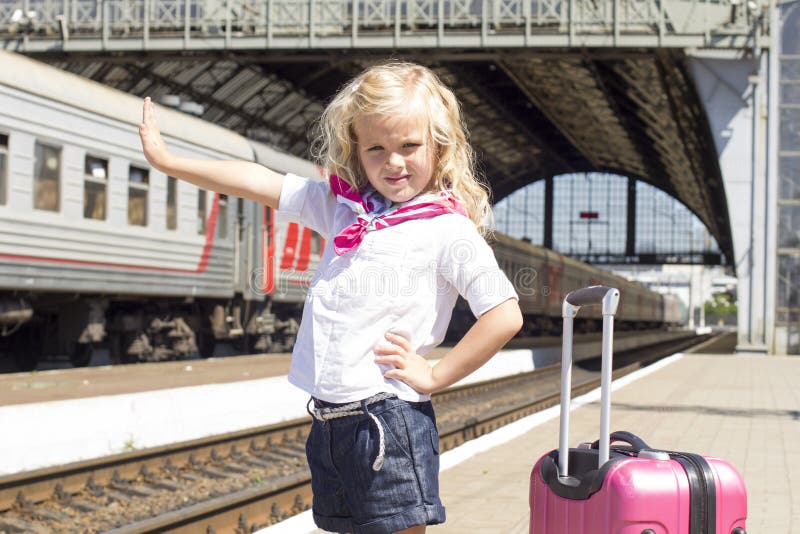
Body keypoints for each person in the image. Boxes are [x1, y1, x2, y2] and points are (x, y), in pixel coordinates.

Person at [139, 61, 523, 534]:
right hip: (329, 421)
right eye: (376, 148)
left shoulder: (448, 230)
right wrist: (168, 162)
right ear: (356, 150)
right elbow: (258, 179)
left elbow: (504, 315)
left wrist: (436, 373)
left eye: (409, 146)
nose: (394, 162)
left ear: (439, 148)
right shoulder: (342, 209)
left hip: (389, 419)